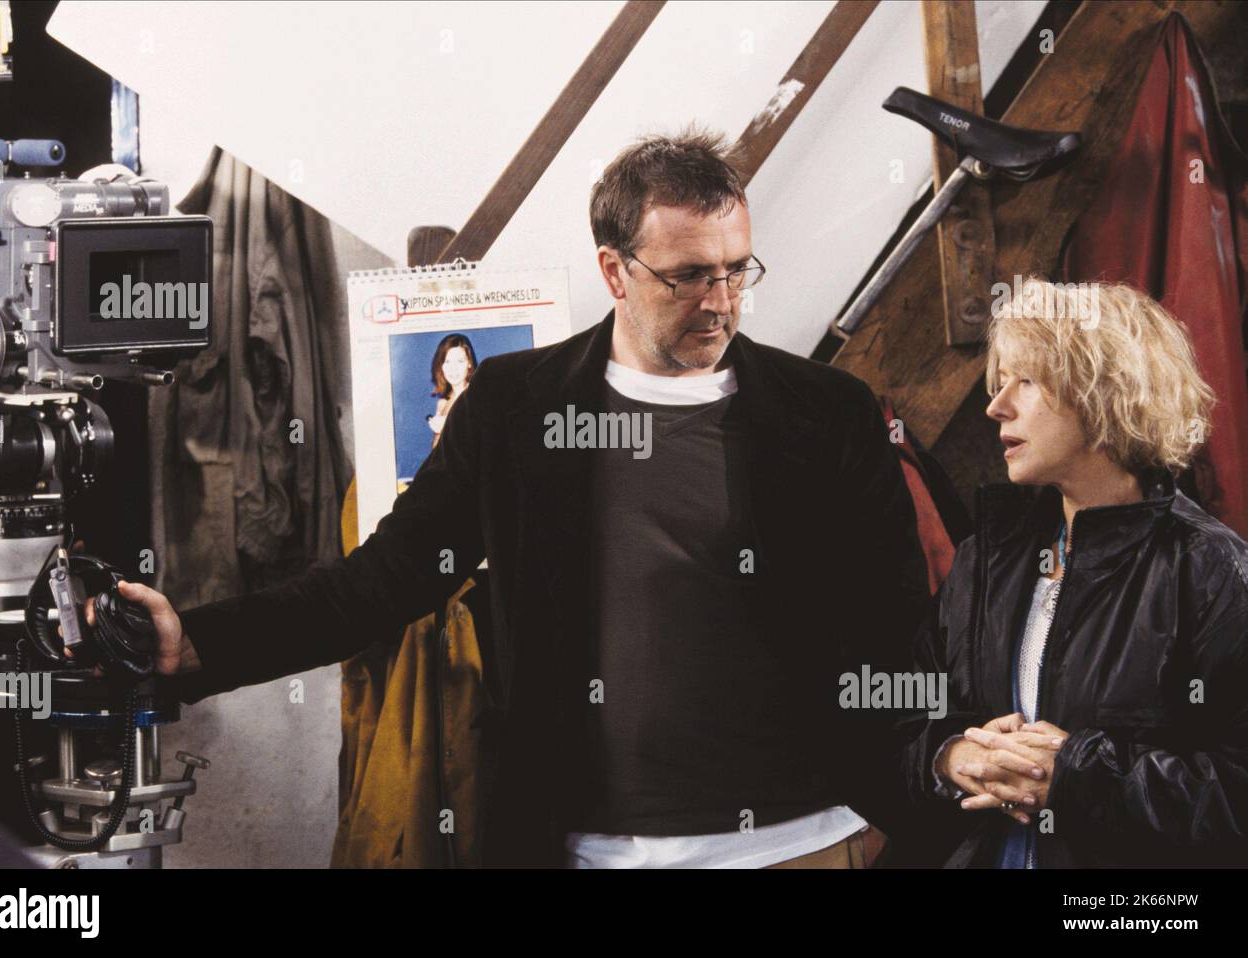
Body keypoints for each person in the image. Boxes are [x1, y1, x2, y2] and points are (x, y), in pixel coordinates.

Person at [107, 128, 931, 868]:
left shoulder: (827, 414)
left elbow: (899, 628)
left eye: (733, 270)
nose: (719, 303)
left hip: (806, 844)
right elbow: (380, 584)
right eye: (686, 277)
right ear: (613, 268)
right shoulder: (515, 410)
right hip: (595, 848)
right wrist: (199, 646)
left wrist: (919, 774)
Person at [900, 277, 1248, 867]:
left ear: (1105, 392)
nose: (996, 405)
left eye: (1027, 380)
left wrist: (1079, 774)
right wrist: (951, 756)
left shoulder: (1212, 569)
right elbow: (906, 713)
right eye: (1000, 379)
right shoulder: (987, 557)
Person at [427, 334, 476, 448]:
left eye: (459, 361)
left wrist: (450, 425)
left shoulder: (477, 395)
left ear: (469, 363)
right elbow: (436, 452)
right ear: (441, 365)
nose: (453, 368)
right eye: (447, 361)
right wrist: (439, 433)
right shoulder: (442, 403)